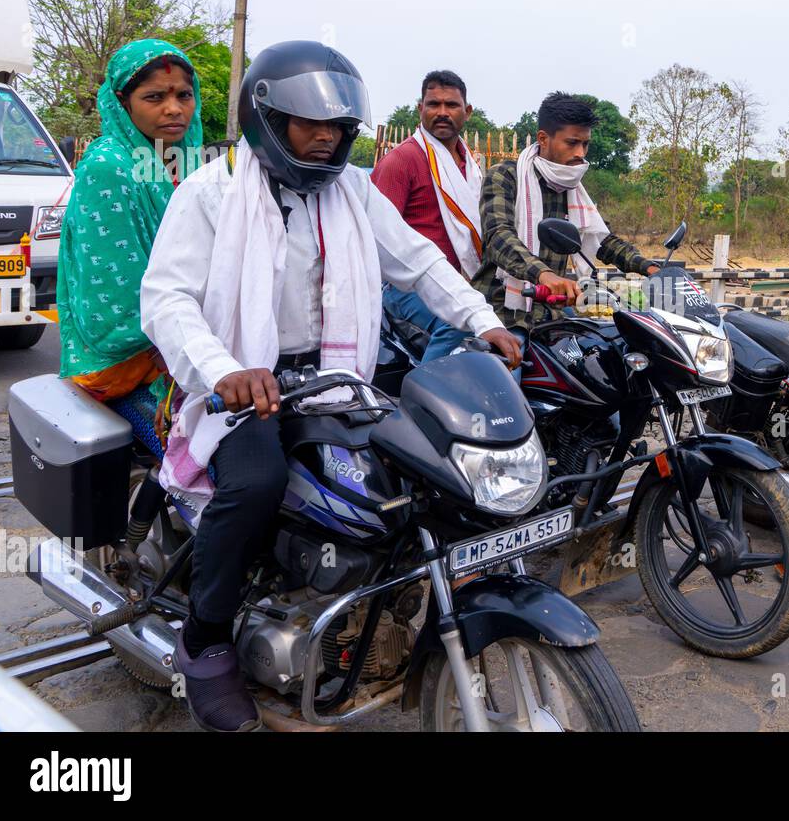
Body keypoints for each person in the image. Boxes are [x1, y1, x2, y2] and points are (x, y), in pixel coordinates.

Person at [140, 40, 519, 732]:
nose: (326, 137)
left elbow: (420, 262)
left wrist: (482, 319)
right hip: (238, 385)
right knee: (255, 482)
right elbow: (166, 299)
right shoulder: (212, 189)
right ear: (266, 120)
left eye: (339, 126)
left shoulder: (352, 191)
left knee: (411, 475)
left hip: (339, 378)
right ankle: (205, 640)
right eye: (308, 123)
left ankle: (384, 603)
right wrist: (223, 370)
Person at [58, 39, 204, 456]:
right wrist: (191, 347)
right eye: (155, 97)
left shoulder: (185, 160)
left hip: (192, 347)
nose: (174, 109)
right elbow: (116, 301)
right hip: (134, 365)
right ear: (123, 102)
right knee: (209, 467)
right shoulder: (109, 167)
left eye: (183, 95)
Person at [472, 92, 658, 330]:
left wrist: (650, 268)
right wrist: (545, 275)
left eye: (585, 144)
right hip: (501, 315)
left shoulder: (571, 186)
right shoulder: (506, 177)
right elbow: (499, 237)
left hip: (551, 314)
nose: (580, 153)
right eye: (572, 143)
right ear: (543, 139)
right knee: (510, 366)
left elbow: (601, 240)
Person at [371, 69, 485, 361]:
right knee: (460, 321)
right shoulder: (401, 161)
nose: (442, 112)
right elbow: (375, 240)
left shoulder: (470, 166)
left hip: (462, 279)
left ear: (467, 111)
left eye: (452, 105)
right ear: (420, 109)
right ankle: (424, 397)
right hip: (407, 284)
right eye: (434, 104)